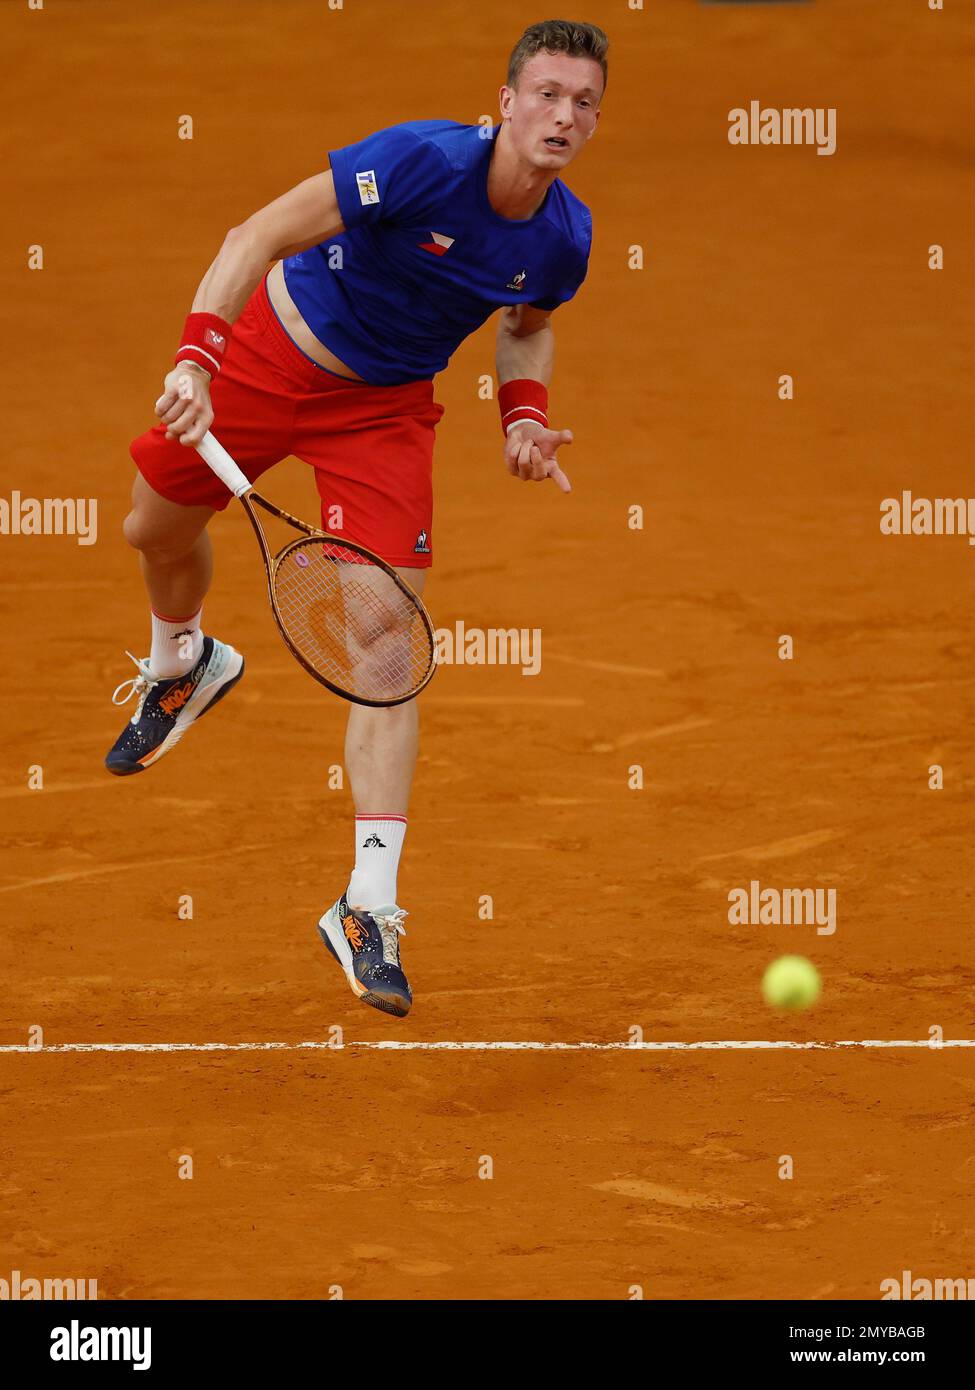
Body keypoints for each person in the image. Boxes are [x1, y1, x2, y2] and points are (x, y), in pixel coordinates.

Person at [107, 18, 607, 1017]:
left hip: (382, 412)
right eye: (546, 94)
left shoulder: (563, 238)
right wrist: (196, 359)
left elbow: (526, 330)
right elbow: (254, 235)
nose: (563, 115)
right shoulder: (418, 161)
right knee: (153, 533)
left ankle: (366, 903)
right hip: (259, 358)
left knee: (384, 639)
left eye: (584, 102)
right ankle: (185, 662)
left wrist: (525, 417)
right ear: (505, 103)